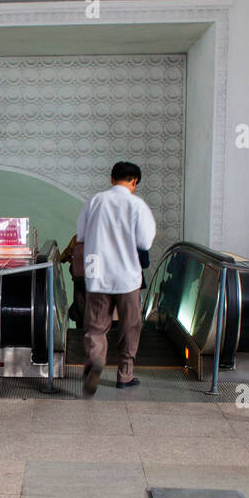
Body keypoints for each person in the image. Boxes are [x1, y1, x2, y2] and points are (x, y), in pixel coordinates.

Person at [75, 161, 156, 394]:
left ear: (112, 179)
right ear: (134, 182)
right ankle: (125, 374)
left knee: (96, 327)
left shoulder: (95, 201)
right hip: (127, 277)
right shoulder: (137, 205)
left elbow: (80, 234)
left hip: (97, 276)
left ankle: (95, 363)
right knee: (130, 327)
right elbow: (144, 242)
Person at [60, 234, 87, 328]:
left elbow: (63, 257)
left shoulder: (78, 238)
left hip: (80, 279)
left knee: (80, 303)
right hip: (101, 283)